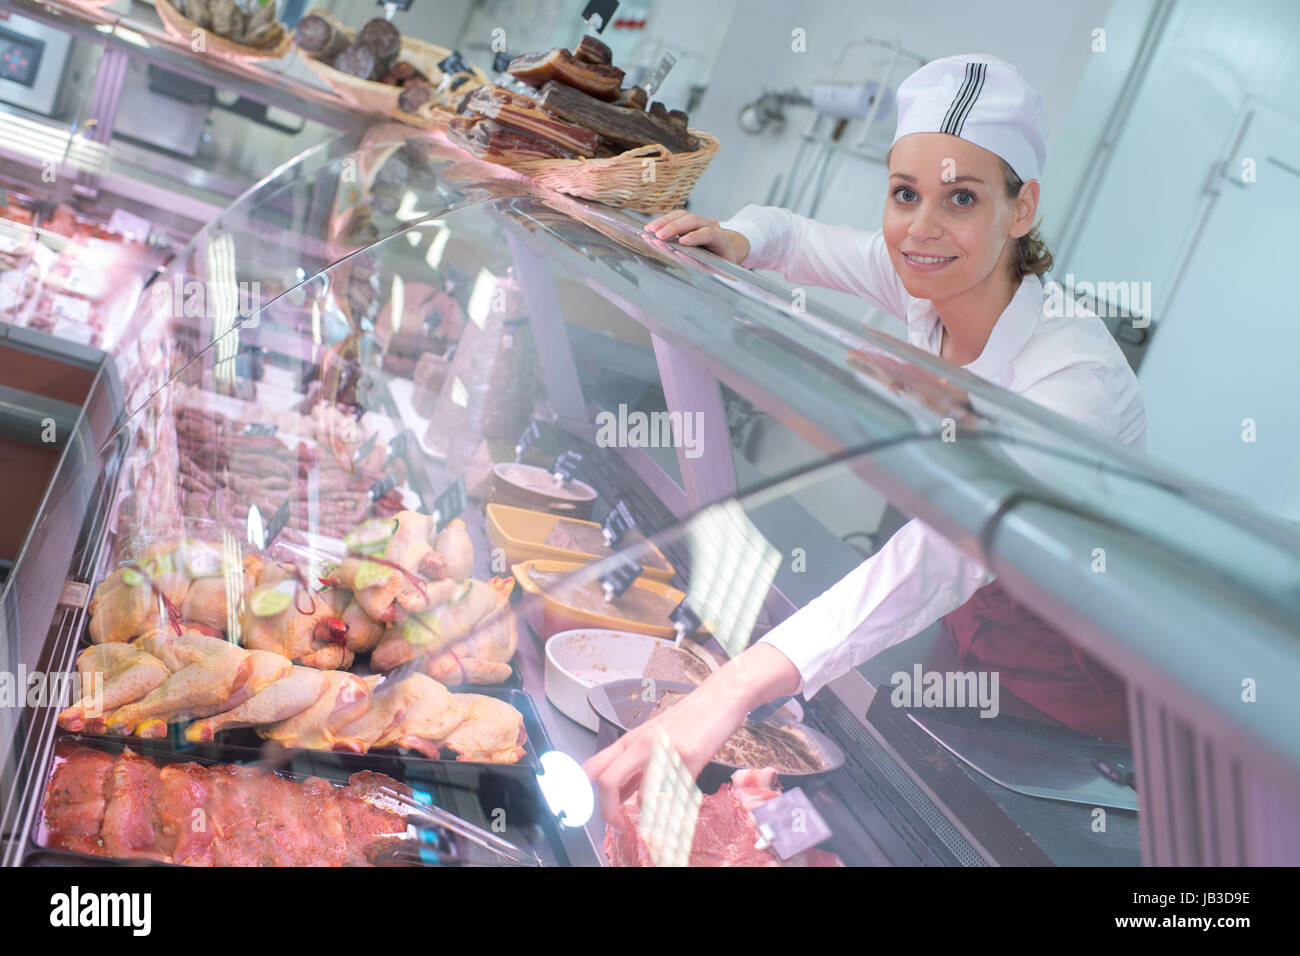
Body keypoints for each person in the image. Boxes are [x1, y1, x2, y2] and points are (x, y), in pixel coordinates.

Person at [584, 54, 1147, 827]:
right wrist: (736, 240)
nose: (921, 228)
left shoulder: (1074, 371)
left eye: (961, 198)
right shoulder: (931, 277)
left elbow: (952, 549)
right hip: (966, 634)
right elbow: (789, 234)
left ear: (1022, 210)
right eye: (905, 194)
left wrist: (732, 686)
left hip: (1075, 691)